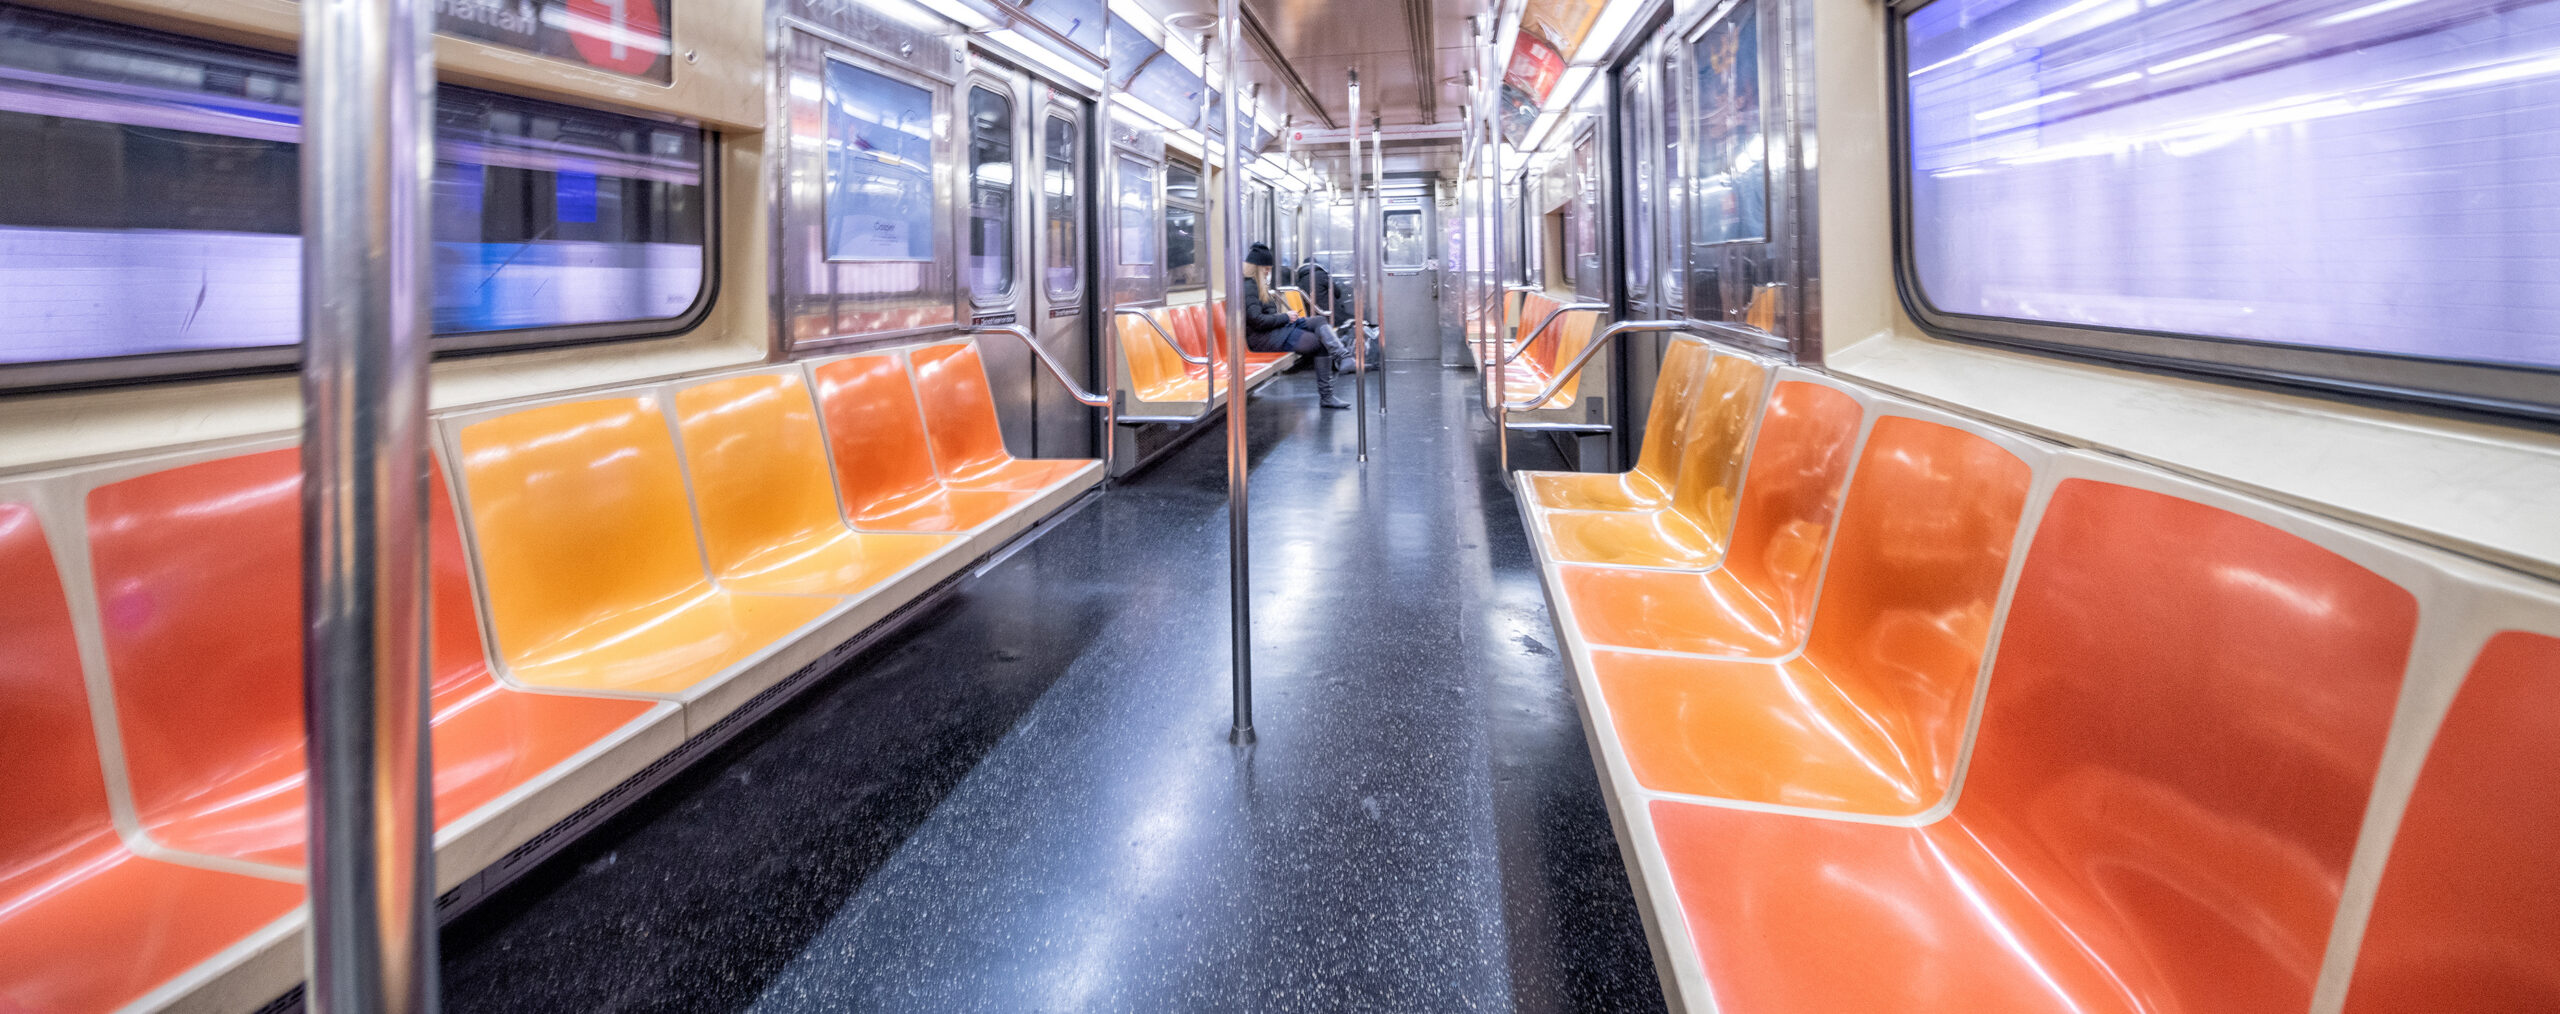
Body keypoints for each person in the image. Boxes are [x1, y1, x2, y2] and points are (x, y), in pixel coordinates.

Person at [1246, 242, 1351, 409]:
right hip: (1261, 338)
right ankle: (1327, 395)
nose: (1268, 272)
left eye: (1269, 268)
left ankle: (1343, 357)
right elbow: (1257, 321)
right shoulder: (1249, 288)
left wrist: (1285, 318)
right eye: (1265, 268)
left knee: (1318, 320)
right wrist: (1285, 317)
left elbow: (1266, 317)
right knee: (1319, 343)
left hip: (1273, 329)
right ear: (1255, 268)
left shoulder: (1259, 286)